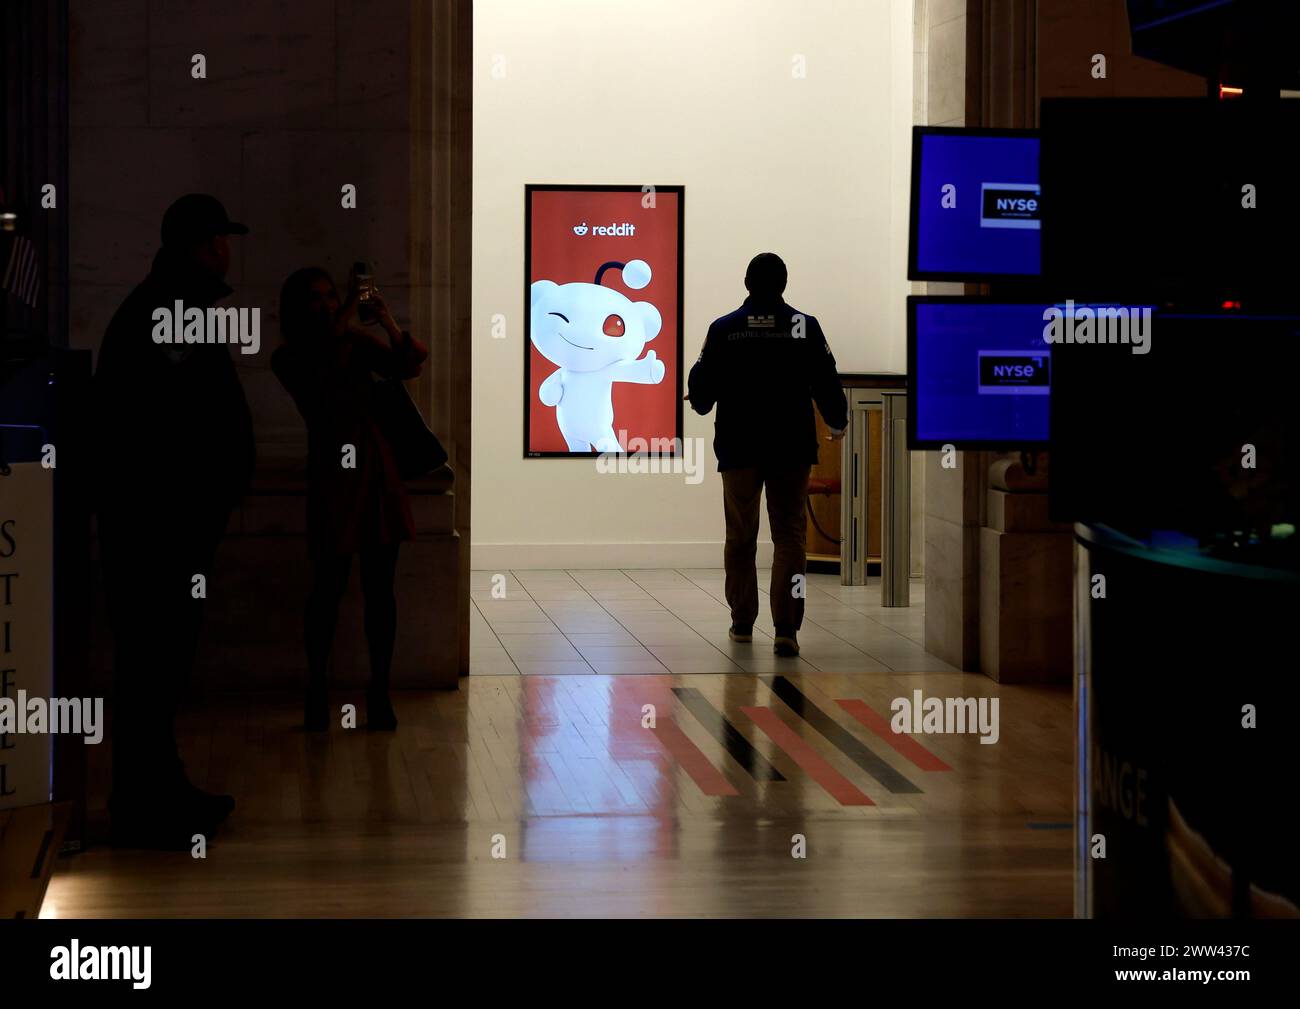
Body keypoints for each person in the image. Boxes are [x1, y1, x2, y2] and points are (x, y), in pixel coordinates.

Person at [94, 194, 255, 848]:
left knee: (155, 664)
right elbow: (175, 427)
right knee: (154, 662)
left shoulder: (167, 306)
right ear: (204, 244)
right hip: (162, 530)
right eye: (223, 238)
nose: (229, 250)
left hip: (161, 524)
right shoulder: (172, 312)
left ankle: (157, 789)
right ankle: (147, 800)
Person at [271, 267, 428, 732]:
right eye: (314, 299)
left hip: (377, 473)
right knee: (326, 591)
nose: (323, 305)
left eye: (329, 296)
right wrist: (345, 320)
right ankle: (317, 690)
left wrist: (387, 321)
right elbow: (319, 379)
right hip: (334, 477)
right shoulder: (290, 356)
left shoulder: (356, 343)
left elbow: (408, 366)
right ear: (297, 308)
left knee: (381, 592)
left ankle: (378, 691)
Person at [686, 253, 847, 657]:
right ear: (784, 284)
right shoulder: (803, 326)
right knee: (789, 535)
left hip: (739, 445)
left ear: (746, 283)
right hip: (790, 446)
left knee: (740, 534)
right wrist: (837, 421)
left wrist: (701, 400)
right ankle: (786, 628)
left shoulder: (725, 328)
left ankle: (742, 621)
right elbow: (827, 378)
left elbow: (703, 383)